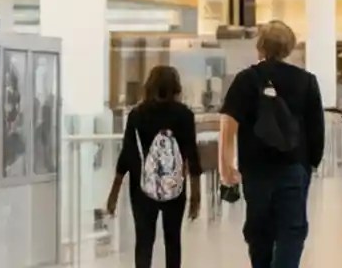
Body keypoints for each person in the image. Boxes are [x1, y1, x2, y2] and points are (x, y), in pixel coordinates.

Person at [219, 21, 325, 268]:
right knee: (292, 230)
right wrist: (311, 163)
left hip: (255, 170)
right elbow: (315, 130)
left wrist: (226, 168)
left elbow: (228, 125)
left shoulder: (246, 80)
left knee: (259, 233)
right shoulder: (306, 81)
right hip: (293, 167)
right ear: (289, 48)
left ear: (260, 46)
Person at [107, 66, 202, 268]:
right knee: (173, 240)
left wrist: (114, 192)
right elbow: (192, 155)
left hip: (141, 187)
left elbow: (127, 154)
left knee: (144, 240)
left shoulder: (137, 115)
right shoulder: (184, 115)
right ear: (176, 86)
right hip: (174, 186)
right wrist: (196, 194)